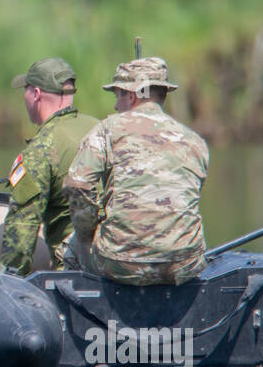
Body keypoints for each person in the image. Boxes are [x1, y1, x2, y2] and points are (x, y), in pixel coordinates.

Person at [61, 56, 209, 285]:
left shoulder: (107, 130)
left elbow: (77, 185)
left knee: (69, 248)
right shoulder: (195, 142)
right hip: (185, 263)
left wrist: (86, 233)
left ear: (131, 96)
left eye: (117, 95)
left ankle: (81, 314)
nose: (115, 105)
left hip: (121, 264)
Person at [0, 58, 99, 275]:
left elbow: (22, 230)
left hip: (75, 274)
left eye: (25, 91)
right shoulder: (99, 126)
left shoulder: (40, 149)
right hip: (114, 262)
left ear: (36, 93)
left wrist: (9, 282)